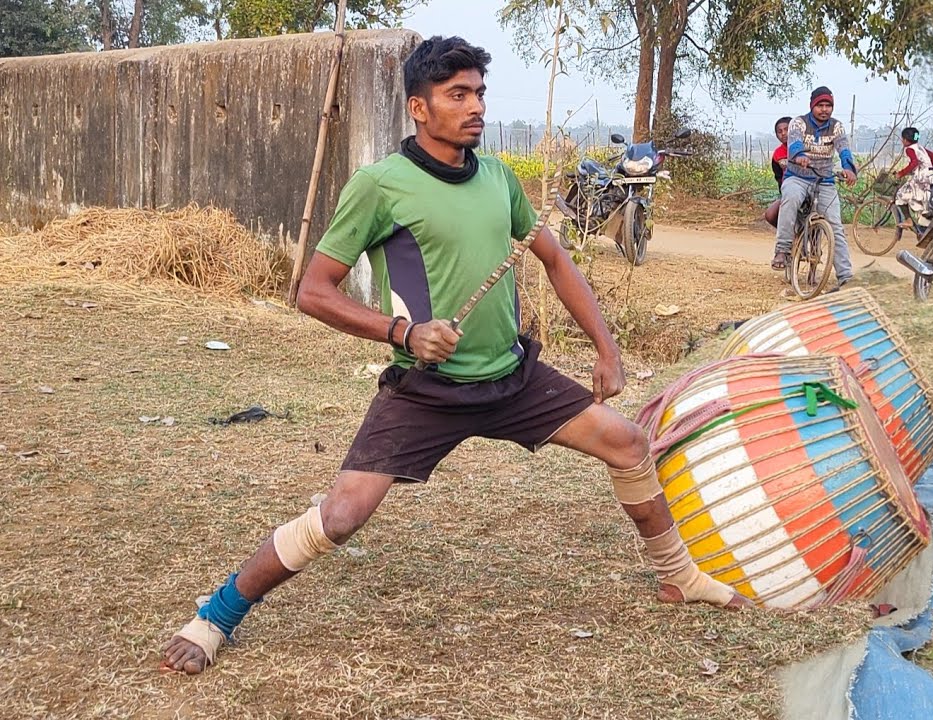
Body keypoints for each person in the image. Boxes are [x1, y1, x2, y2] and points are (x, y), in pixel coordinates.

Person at [160, 35, 748, 676]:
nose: (475, 108)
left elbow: (553, 257)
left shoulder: (498, 177)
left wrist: (606, 348)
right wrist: (401, 333)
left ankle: (677, 576)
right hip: (427, 389)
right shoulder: (381, 184)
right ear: (419, 107)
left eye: (479, 94)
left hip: (512, 378)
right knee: (343, 515)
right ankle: (217, 614)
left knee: (629, 443)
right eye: (457, 95)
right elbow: (311, 290)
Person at [772, 86, 857, 291]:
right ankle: (782, 250)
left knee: (835, 225)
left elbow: (843, 148)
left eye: (828, 105)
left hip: (825, 180)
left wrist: (849, 168)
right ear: (812, 106)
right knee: (790, 200)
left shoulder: (836, 127)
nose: (824, 110)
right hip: (798, 177)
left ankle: (845, 276)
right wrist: (799, 154)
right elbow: (793, 143)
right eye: (820, 105)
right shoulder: (798, 123)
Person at [892, 127, 933, 228]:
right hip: (931, 176)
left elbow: (914, 162)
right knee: (921, 197)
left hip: (921, 178)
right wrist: (928, 168)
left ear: (904, 139)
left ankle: (909, 220)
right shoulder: (920, 147)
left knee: (900, 195)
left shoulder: (909, 149)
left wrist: (901, 173)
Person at [764, 116, 791, 228]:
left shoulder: (805, 147)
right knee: (770, 215)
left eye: (786, 129)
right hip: (787, 192)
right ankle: (792, 235)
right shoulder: (777, 154)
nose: (783, 133)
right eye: (779, 132)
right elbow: (779, 177)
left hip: (807, 189)